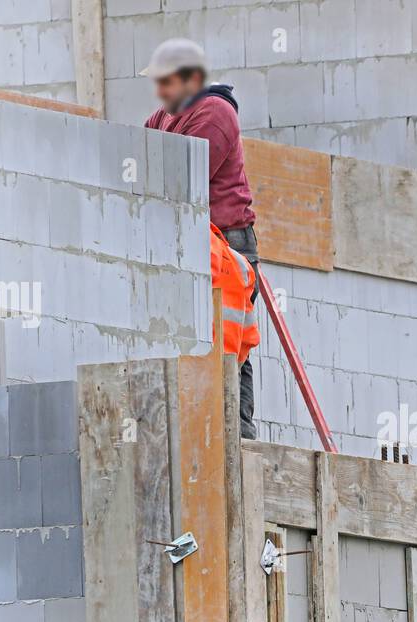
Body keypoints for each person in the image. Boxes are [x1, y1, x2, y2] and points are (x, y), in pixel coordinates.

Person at [142, 38, 260, 439]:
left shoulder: (215, 112)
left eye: (167, 82)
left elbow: (182, 180)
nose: (159, 92)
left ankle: (236, 434)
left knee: (230, 345)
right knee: (194, 339)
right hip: (193, 246)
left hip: (228, 247)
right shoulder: (162, 118)